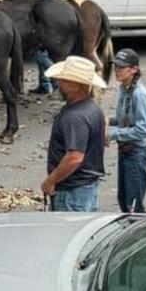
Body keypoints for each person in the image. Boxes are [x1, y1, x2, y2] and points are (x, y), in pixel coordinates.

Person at [40, 55, 108, 211]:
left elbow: (74, 157)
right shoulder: (93, 108)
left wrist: (50, 181)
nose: (59, 83)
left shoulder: (75, 117)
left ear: (76, 85)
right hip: (87, 186)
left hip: (72, 191)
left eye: (64, 80)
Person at [108, 48, 146, 213]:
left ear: (133, 70)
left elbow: (143, 129)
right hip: (126, 151)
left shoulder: (139, 95)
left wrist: (112, 134)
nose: (117, 71)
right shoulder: (125, 89)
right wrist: (109, 121)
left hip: (137, 154)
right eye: (116, 67)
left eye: (121, 68)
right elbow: (126, 119)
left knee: (133, 206)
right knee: (123, 199)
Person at [30, 0, 58, 95]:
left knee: (40, 56)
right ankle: (44, 85)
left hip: (44, 32)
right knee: (41, 56)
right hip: (40, 31)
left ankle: (56, 79)